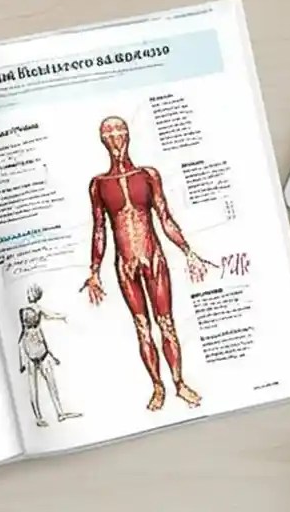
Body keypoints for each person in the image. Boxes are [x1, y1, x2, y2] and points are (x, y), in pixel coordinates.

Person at [81, 116, 207, 411]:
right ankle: (158, 387)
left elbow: (164, 217)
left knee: (166, 324)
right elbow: (99, 228)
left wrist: (188, 251)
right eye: (108, 133)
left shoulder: (148, 175)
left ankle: (179, 384)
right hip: (125, 264)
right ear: (102, 139)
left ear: (128, 135)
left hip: (154, 258)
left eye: (119, 131)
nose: (115, 138)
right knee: (142, 327)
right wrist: (94, 271)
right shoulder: (98, 185)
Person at [17, 284, 81, 427]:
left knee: (41, 385)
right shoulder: (31, 310)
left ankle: (55, 413)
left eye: (30, 292)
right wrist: (21, 359)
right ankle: (47, 415)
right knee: (39, 385)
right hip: (34, 351)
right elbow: (25, 335)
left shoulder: (28, 310)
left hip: (37, 351)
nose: (29, 294)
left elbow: (28, 334)